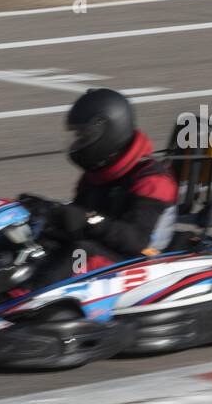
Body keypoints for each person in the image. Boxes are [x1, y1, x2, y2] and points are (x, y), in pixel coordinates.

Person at [19, 88, 178, 287]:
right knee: (39, 239)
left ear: (107, 131)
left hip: (142, 263)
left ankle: (21, 305)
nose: (78, 142)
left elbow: (138, 241)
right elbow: (79, 219)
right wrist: (48, 212)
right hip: (106, 249)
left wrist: (88, 221)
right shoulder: (99, 172)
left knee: (80, 253)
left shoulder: (153, 181)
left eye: (83, 136)